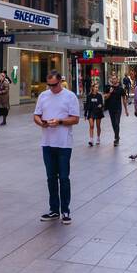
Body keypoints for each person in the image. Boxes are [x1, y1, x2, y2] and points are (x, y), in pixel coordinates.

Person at [34, 70, 80, 224]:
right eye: (49, 85)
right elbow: (36, 115)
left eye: (54, 85)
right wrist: (41, 123)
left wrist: (59, 121)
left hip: (63, 144)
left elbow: (75, 119)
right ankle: (53, 209)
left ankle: (65, 210)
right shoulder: (43, 96)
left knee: (64, 178)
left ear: (60, 81)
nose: (51, 88)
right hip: (47, 143)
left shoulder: (70, 97)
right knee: (51, 178)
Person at [103, 77, 124, 146]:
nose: (113, 80)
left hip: (118, 108)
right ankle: (117, 136)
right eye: (112, 78)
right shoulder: (108, 87)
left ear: (117, 80)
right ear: (111, 80)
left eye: (115, 78)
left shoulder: (120, 88)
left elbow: (124, 98)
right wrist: (110, 92)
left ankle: (116, 139)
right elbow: (105, 97)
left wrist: (126, 110)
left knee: (117, 123)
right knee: (113, 124)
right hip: (110, 108)